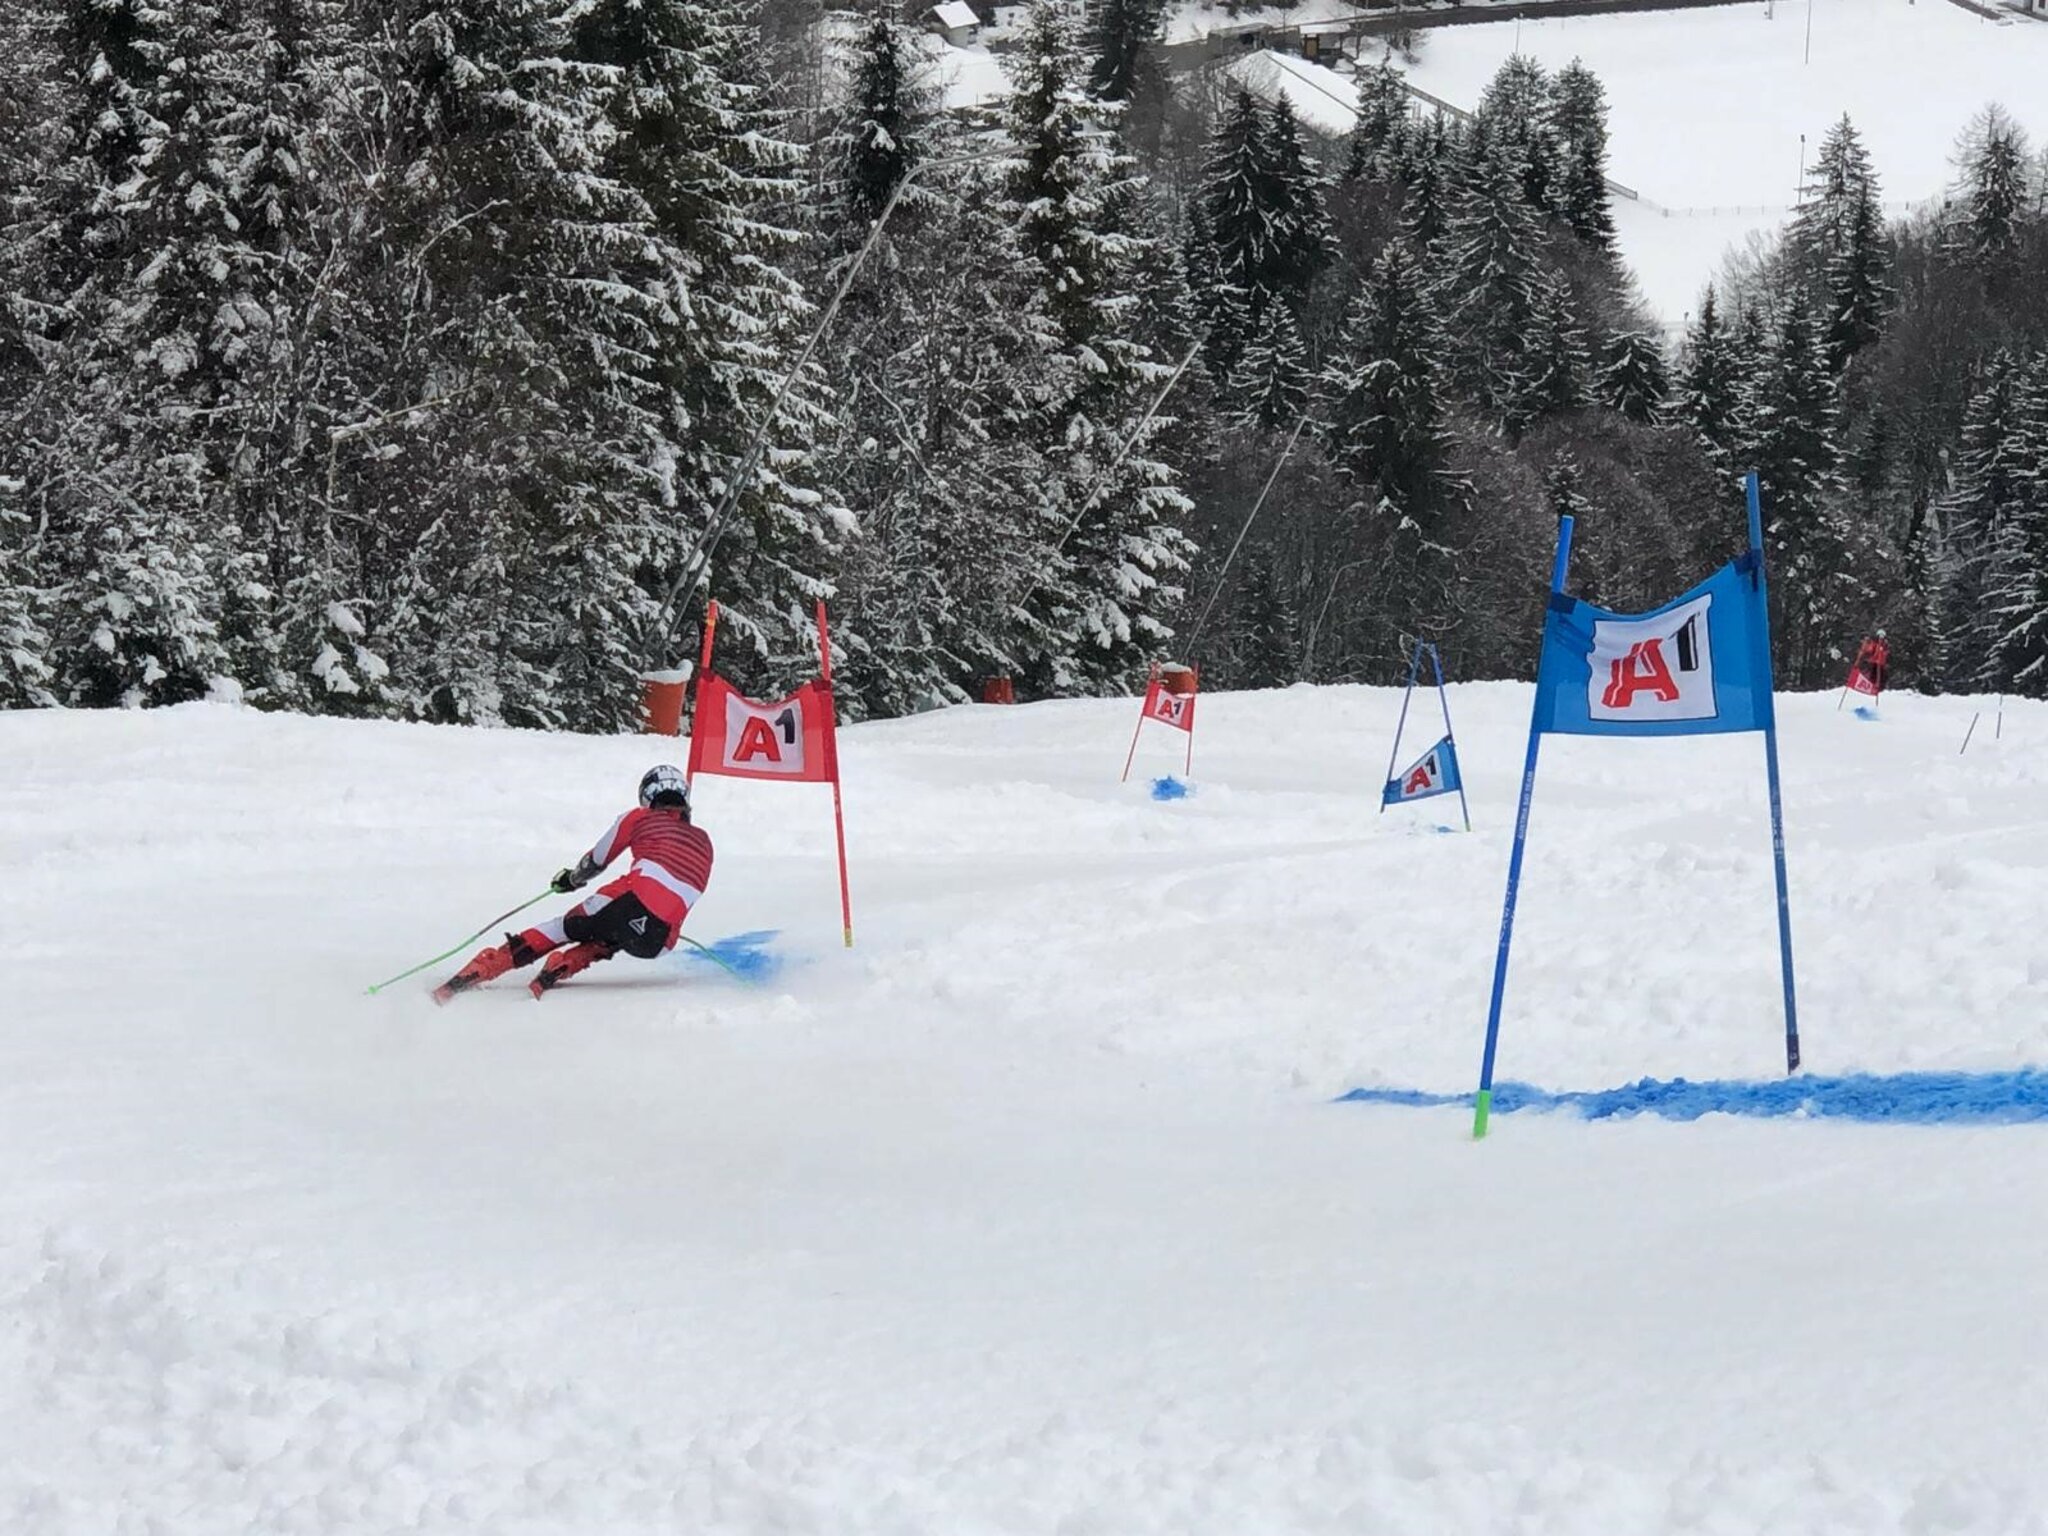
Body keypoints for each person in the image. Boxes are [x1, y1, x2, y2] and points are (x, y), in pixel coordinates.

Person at [435, 765, 715, 1002]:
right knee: (615, 935)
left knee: (565, 927)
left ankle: (483, 968)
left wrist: (571, 880)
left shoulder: (639, 818)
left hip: (629, 901)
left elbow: (597, 859)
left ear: (647, 796)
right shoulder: (705, 843)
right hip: (659, 942)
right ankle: (564, 965)